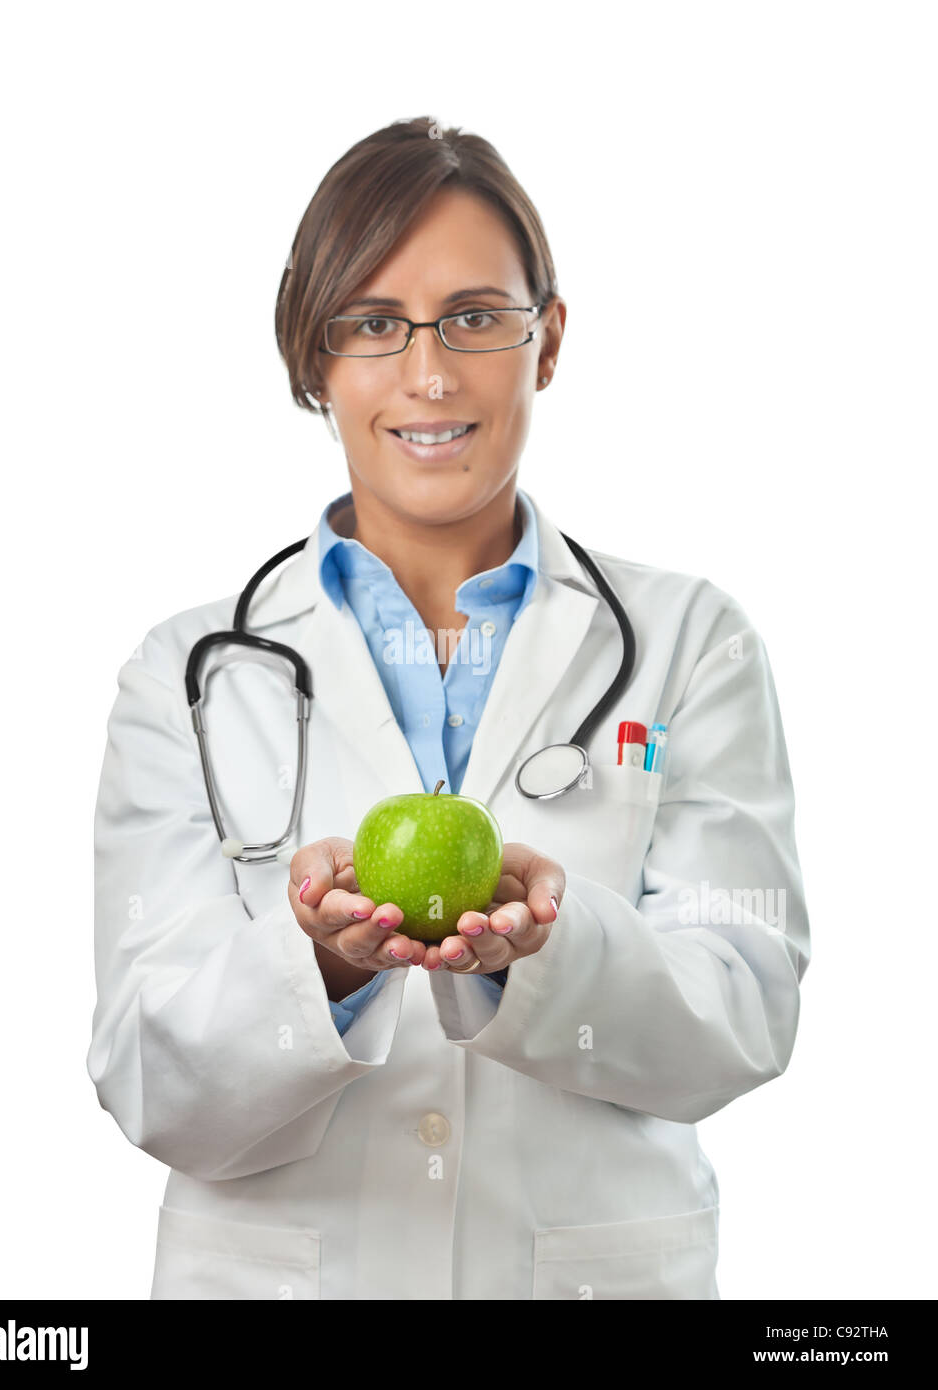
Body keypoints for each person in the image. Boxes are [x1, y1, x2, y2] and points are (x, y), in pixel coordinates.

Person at [88, 115, 810, 1301]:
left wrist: (545, 953)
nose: (428, 374)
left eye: (474, 317)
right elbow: (145, 1080)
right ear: (312, 355)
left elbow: (743, 1011)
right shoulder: (185, 673)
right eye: (373, 324)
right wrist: (317, 967)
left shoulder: (691, 644)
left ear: (549, 339)